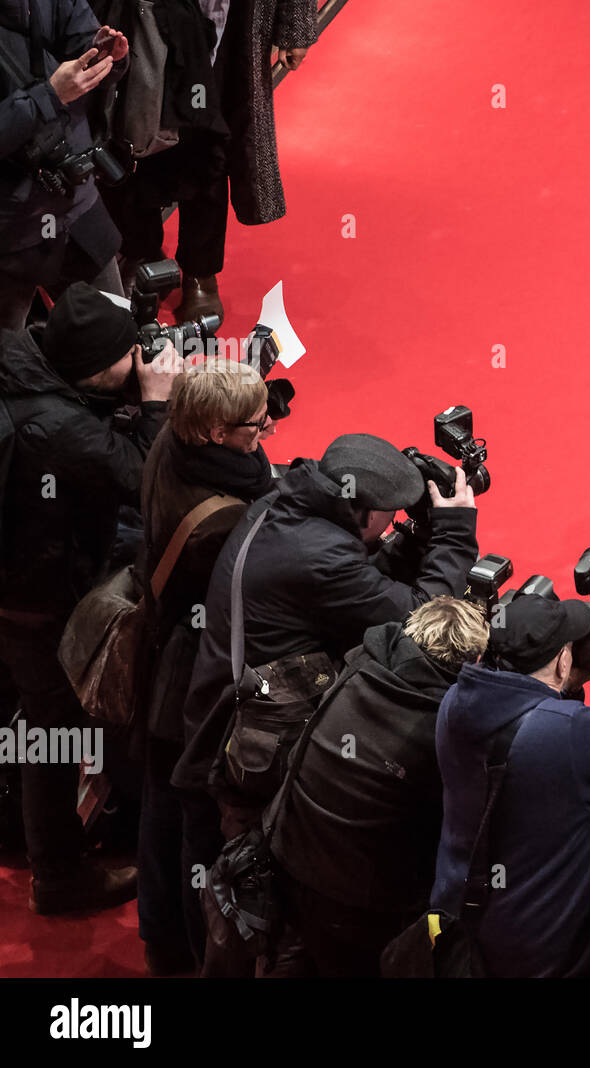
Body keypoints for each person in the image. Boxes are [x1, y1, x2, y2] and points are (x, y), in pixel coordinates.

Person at [170, 430, 479, 965]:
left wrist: (409, 539)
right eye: (391, 514)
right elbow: (419, 621)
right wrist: (452, 532)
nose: (394, 523)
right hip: (253, 749)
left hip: (219, 709)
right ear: (360, 510)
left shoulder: (287, 504)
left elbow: (358, 581)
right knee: (255, 900)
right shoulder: (319, 557)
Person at [0, 281, 182, 913]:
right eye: (130, 357)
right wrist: (156, 406)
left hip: (20, 577)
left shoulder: (26, 360)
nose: (140, 361)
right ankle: (58, 877)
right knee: (51, 732)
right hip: (36, 600)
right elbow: (146, 484)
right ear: (101, 368)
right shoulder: (62, 430)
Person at [430, 594, 590, 977]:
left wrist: (563, 685)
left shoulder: (456, 700)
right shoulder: (568, 729)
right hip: (548, 947)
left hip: (461, 922)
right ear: (561, 660)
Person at [136, 356, 273, 973]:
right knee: (193, 820)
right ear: (217, 432)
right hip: (193, 681)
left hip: (162, 656)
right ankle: (194, 951)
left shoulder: (170, 441)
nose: (266, 431)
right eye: (256, 425)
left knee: (157, 804)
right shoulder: (222, 520)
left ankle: (159, 935)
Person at [270, 596, 490, 977]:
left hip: (290, 856)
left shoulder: (360, 664)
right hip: (360, 905)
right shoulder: (442, 729)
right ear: (470, 664)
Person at [106, 0, 318, 322]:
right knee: (139, 122)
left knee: (210, 139)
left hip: (232, 18)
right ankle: (139, 250)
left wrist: (294, 27)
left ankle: (200, 270)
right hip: (146, 10)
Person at [0, 0, 129, 332]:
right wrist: (50, 95)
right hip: (11, 226)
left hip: (73, 193)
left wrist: (105, 56)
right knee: (12, 362)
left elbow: (83, 40)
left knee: (117, 332)